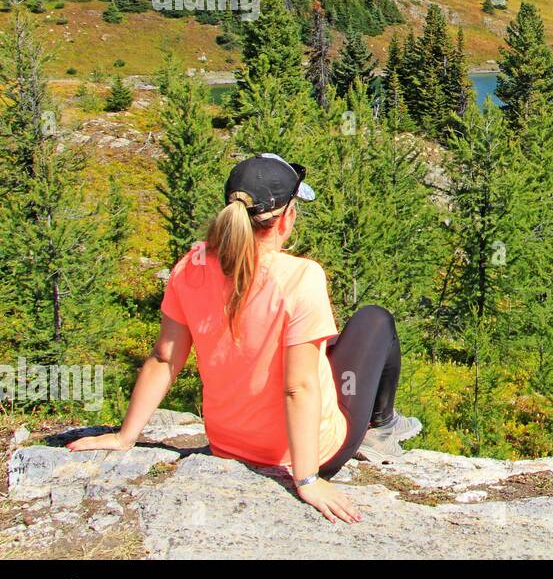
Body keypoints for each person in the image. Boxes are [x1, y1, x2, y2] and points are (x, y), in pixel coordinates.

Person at [70, 153, 421, 523]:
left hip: (228, 445)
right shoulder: (301, 277)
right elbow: (298, 387)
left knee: (318, 345)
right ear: (286, 218)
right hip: (314, 452)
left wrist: (125, 437)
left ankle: (377, 428)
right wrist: (308, 479)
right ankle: (382, 428)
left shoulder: (192, 266)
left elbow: (164, 359)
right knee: (374, 320)